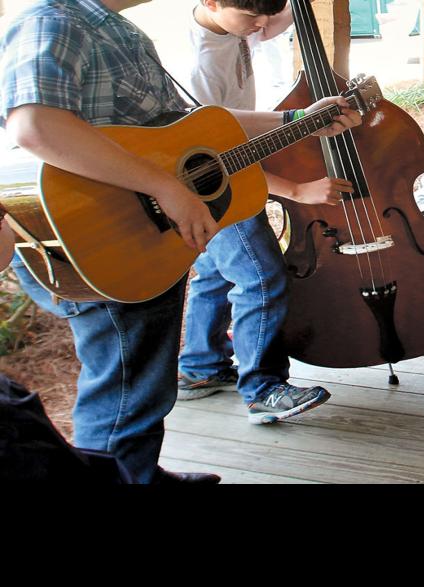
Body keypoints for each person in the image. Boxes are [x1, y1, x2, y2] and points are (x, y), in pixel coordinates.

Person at [1, 0, 362, 483]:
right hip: (97, 234)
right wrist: (165, 188)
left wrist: (297, 119)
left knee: (145, 384)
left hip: (143, 233)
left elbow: (189, 125)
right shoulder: (54, 20)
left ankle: (141, 473)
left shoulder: (110, 27)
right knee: (125, 391)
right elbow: (35, 126)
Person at [176, 0, 347, 425]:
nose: (263, 25)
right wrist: (295, 189)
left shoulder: (236, 23)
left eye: (268, 13)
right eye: (253, 18)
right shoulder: (196, 64)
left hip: (228, 179)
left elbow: (277, 17)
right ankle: (263, 389)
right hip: (214, 187)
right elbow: (215, 157)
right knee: (261, 277)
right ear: (212, 2)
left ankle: (201, 368)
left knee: (216, 274)